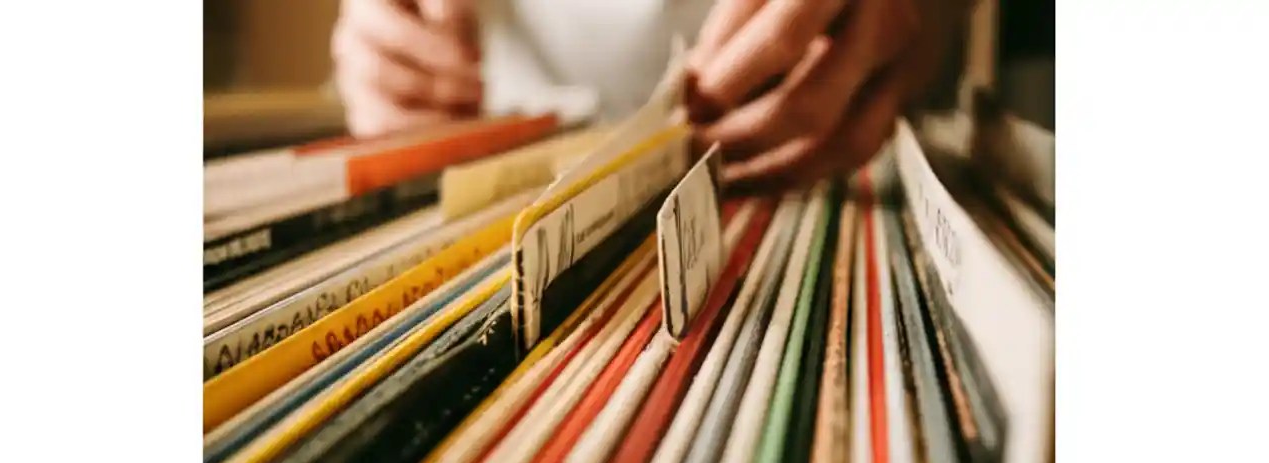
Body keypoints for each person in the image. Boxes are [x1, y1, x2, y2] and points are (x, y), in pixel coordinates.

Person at [331, 0, 969, 191]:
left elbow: (928, 26)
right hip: (486, 179)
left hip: (805, 176)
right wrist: (376, 50)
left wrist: (926, 24)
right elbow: (375, 27)